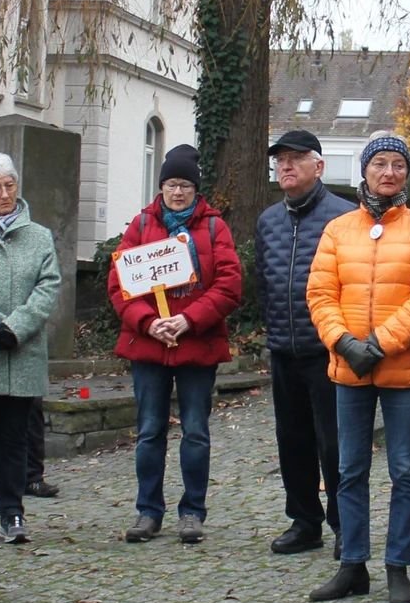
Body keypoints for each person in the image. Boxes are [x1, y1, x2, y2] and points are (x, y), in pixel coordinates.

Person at [306, 132, 410, 603]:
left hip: (402, 366)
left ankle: (397, 565)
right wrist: (344, 342)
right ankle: (352, 564)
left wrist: (380, 343)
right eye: (380, 164)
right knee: (349, 469)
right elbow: (320, 293)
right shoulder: (338, 229)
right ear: (364, 170)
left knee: (404, 469)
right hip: (350, 365)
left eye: (397, 164)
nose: (389, 172)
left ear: (407, 172)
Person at [109, 144, 243, 544]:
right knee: (149, 430)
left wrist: (188, 319)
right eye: (171, 184)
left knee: (196, 431)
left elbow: (230, 285)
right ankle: (148, 511)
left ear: (196, 189)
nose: (178, 192)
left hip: (196, 345)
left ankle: (192, 512)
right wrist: (149, 323)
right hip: (150, 346)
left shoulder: (215, 228)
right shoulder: (140, 225)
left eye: (185, 184)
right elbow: (120, 285)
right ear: (161, 187)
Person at [256, 130, 350, 555]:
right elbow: (264, 280)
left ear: (320, 166)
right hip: (283, 345)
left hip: (329, 348)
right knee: (291, 438)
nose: (286, 167)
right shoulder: (268, 220)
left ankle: (345, 523)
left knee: (334, 442)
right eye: (280, 160)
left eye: (296, 159)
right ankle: (304, 520)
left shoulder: (345, 218)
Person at [0, 152, 60, 546]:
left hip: (22, 352)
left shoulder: (38, 235)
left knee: (16, 437)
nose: (4, 194)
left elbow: (48, 285)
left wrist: (16, 325)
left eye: (10, 185)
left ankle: (12, 512)